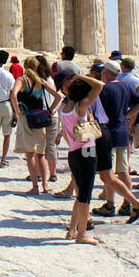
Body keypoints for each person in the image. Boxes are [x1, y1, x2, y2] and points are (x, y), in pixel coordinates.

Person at [95, 60, 139, 221]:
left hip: (108, 133)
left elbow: (98, 112)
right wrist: (128, 116)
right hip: (123, 132)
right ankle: (126, 204)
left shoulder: (104, 90)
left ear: (105, 73)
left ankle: (110, 204)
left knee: (107, 172)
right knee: (123, 171)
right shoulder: (125, 87)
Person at [59, 72, 106, 245]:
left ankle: (72, 229)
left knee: (80, 194)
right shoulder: (81, 107)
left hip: (73, 153)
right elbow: (99, 85)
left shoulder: (64, 109)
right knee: (85, 195)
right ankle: (82, 234)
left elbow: (64, 132)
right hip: (86, 152)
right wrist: (80, 76)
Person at [13, 65, 61, 195]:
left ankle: (35, 187)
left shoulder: (22, 80)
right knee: (41, 154)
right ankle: (45, 185)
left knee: (30, 154)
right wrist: (50, 110)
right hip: (41, 119)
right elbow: (58, 96)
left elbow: (13, 94)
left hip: (27, 118)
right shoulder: (42, 81)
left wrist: (17, 112)